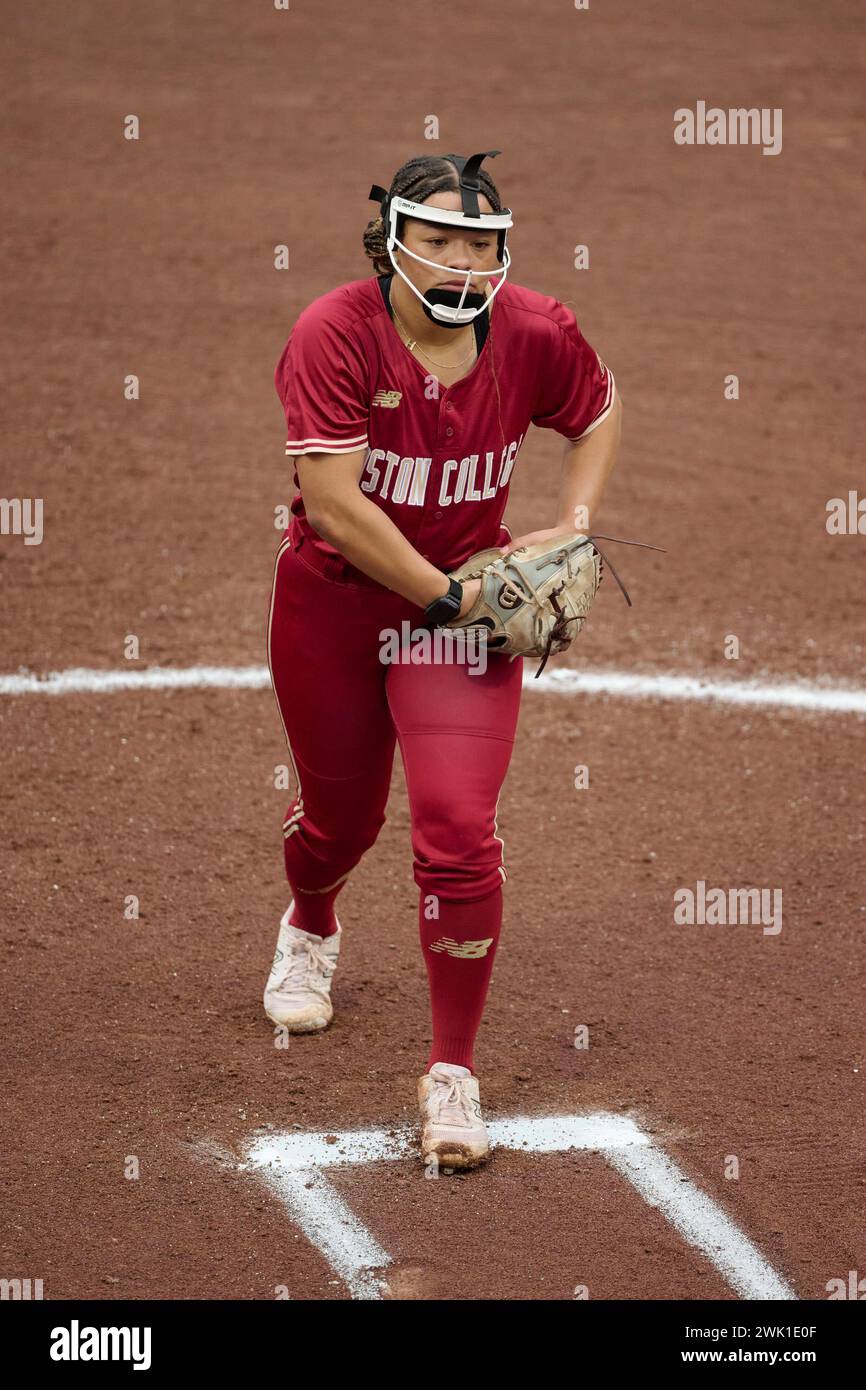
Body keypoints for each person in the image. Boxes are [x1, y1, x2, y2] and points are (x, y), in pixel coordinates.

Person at [264, 150, 621, 1171]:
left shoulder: (534, 334)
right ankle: (311, 919)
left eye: (482, 244)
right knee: (340, 823)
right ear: (391, 242)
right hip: (335, 605)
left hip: (460, 614)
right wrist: (445, 592)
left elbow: (594, 412)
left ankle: (452, 1070)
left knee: (458, 830)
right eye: (439, 240)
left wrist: (570, 529)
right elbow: (334, 502)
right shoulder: (333, 333)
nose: (463, 262)